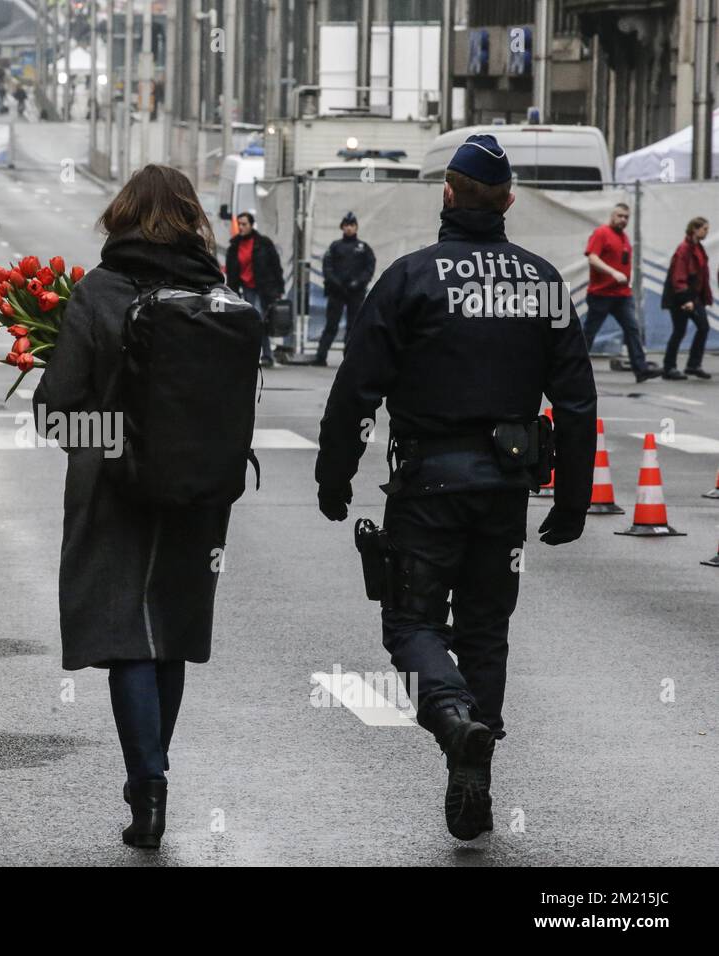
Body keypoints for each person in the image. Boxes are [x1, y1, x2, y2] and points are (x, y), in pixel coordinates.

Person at [314, 133, 597, 841]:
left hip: (426, 487)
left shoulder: (411, 279)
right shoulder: (542, 283)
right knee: (484, 630)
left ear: (446, 194)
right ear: (507, 201)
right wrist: (573, 497)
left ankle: (448, 717)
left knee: (410, 624)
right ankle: (475, 766)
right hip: (504, 489)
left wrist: (334, 474)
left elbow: (357, 388)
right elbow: (576, 401)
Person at [33, 165, 235, 850]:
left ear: (119, 218)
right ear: (191, 219)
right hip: (198, 492)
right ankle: (154, 773)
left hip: (115, 493)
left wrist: (112, 440)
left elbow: (57, 415)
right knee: (169, 635)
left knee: (127, 638)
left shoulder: (98, 292)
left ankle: (147, 784)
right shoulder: (218, 295)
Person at [583, 203, 661, 383]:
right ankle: (575, 369)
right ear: (612, 216)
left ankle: (641, 370)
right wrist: (613, 272)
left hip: (621, 295)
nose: (623, 220)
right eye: (620, 216)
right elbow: (592, 258)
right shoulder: (602, 233)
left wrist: (628, 278)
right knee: (589, 333)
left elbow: (624, 262)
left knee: (632, 329)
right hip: (601, 294)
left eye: (626, 217)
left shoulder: (624, 238)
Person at [225, 211, 286, 368]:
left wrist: (280, 288)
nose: (241, 227)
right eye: (239, 224)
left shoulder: (263, 243)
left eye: (244, 224)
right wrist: (231, 291)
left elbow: (275, 266)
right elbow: (231, 270)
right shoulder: (234, 245)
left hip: (263, 287)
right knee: (254, 320)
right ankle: (259, 354)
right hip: (246, 288)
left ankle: (265, 354)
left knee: (260, 320)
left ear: (251, 225)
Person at [315, 211, 375, 366]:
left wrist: (358, 283)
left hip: (356, 292)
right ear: (342, 227)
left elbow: (369, 268)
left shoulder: (363, 248)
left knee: (353, 326)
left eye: (352, 225)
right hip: (337, 292)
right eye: (347, 225)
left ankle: (350, 359)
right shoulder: (335, 246)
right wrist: (336, 283)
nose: (349, 228)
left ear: (356, 227)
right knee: (331, 325)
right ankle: (320, 356)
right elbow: (327, 267)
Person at [661, 216, 712, 380]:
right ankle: (669, 368)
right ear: (695, 229)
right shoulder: (684, 249)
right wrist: (685, 299)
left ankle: (693, 365)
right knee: (680, 331)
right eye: (704, 229)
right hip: (681, 297)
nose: (706, 232)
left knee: (702, 327)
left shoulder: (698, 248)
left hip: (692, 296)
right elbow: (679, 276)